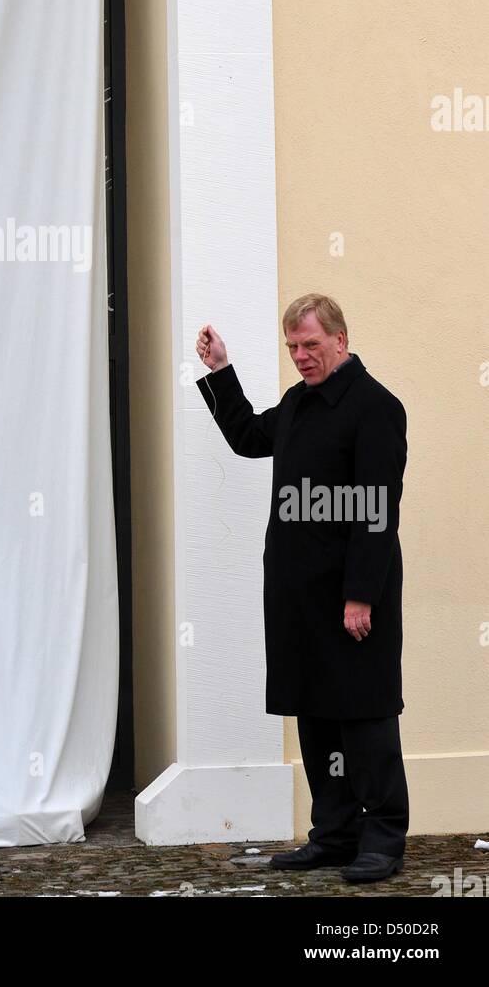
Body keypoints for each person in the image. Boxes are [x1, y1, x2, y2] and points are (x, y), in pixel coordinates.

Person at [195, 294, 409, 883]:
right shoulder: (297, 404)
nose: (301, 357)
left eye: (310, 345)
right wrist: (221, 371)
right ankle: (335, 834)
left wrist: (361, 593)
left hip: (353, 598)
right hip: (299, 598)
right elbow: (246, 436)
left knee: (365, 719)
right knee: (316, 718)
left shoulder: (375, 407)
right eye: (292, 347)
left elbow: (375, 510)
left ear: (341, 339)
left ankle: (384, 839)